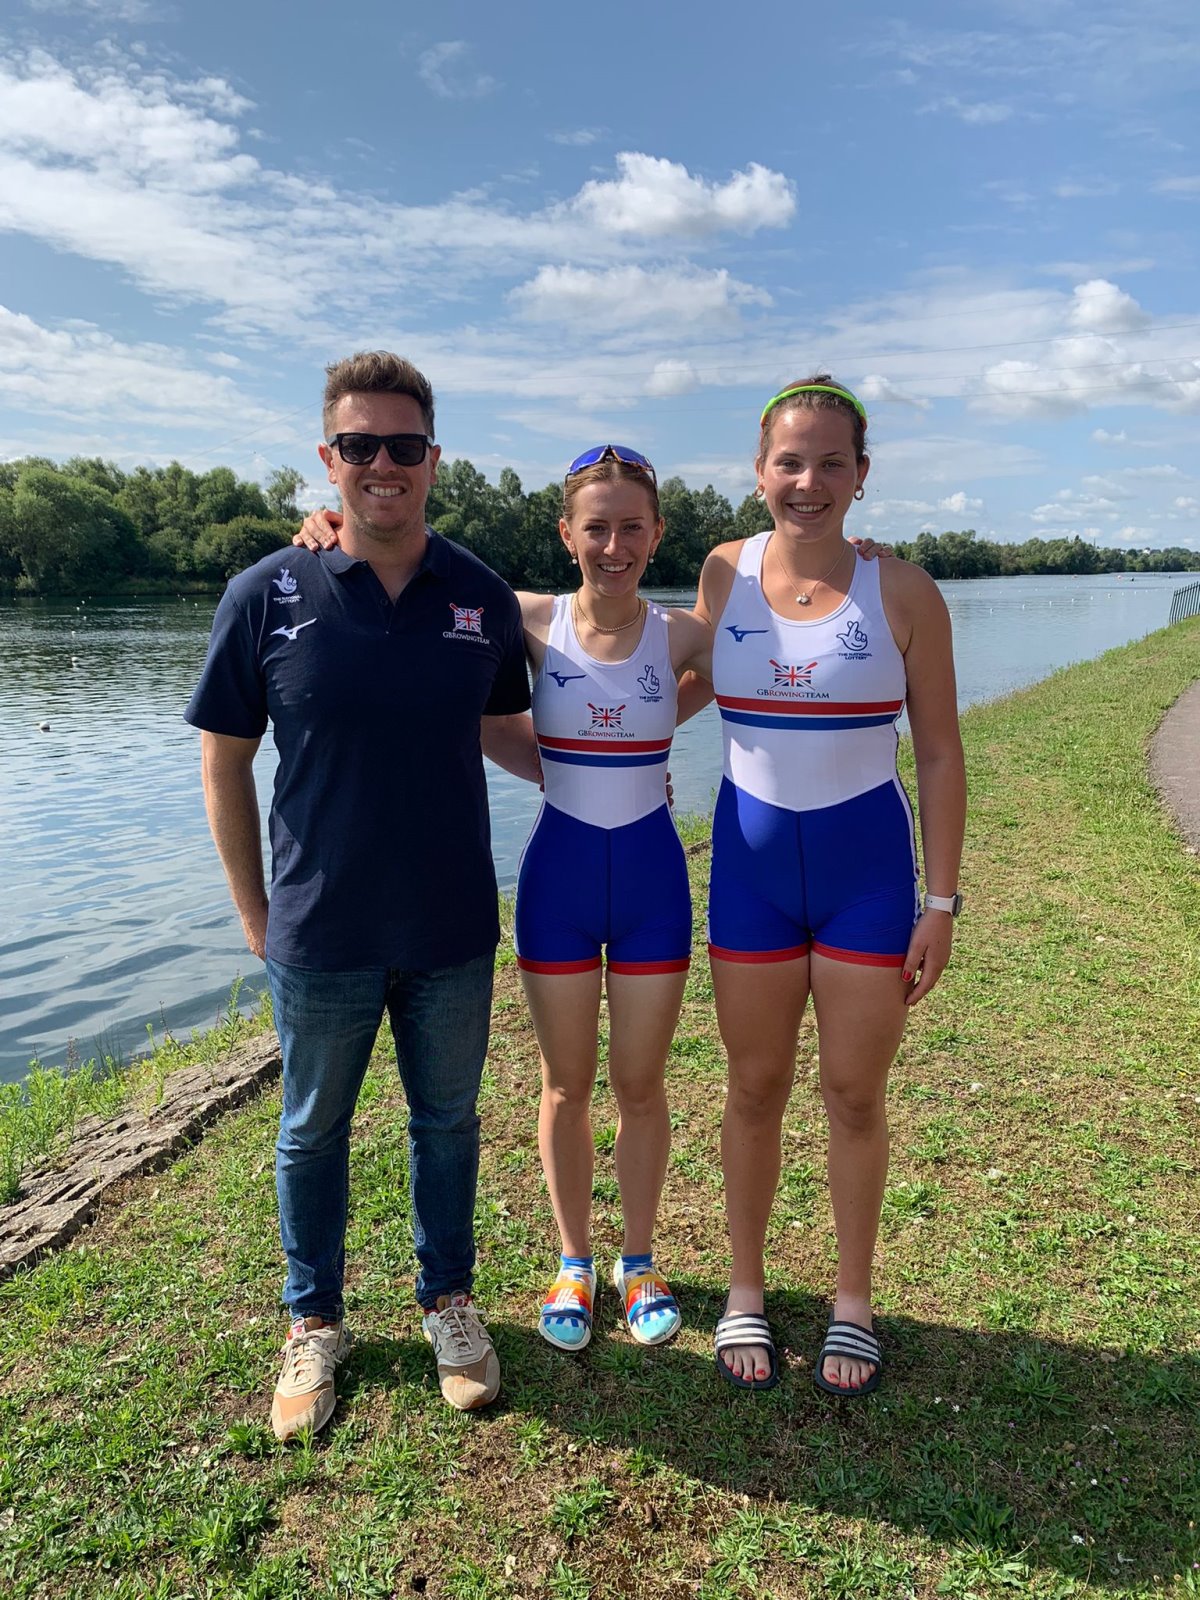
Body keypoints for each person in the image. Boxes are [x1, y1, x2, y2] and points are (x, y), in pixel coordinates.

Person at [185, 352, 539, 1440]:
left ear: (435, 457)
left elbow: (503, 729)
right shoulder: (267, 593)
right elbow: (223, 761)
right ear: (328, 457)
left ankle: (448, 1300)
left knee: (447, 1123)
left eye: (405, 445)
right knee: (310, 1132)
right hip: (319, 927)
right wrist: (254, 913)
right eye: (360, 446)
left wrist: (621, 766)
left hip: (449, 926)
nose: (383, 465)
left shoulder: (478, 595)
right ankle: (313, 1322)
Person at [696, 376, 965, 1397]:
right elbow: (624, 639)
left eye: (831, 462)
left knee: (854, 1093)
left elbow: (938, 754)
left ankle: (853, 1297)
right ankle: (746, 1287)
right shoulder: (722, 575)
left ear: (861, 474)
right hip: (751, 881)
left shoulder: (903, 592)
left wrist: (938, 902)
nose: (808, 481)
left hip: (864, 880)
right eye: (789, 461)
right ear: (760, 471)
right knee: (754, 1086)